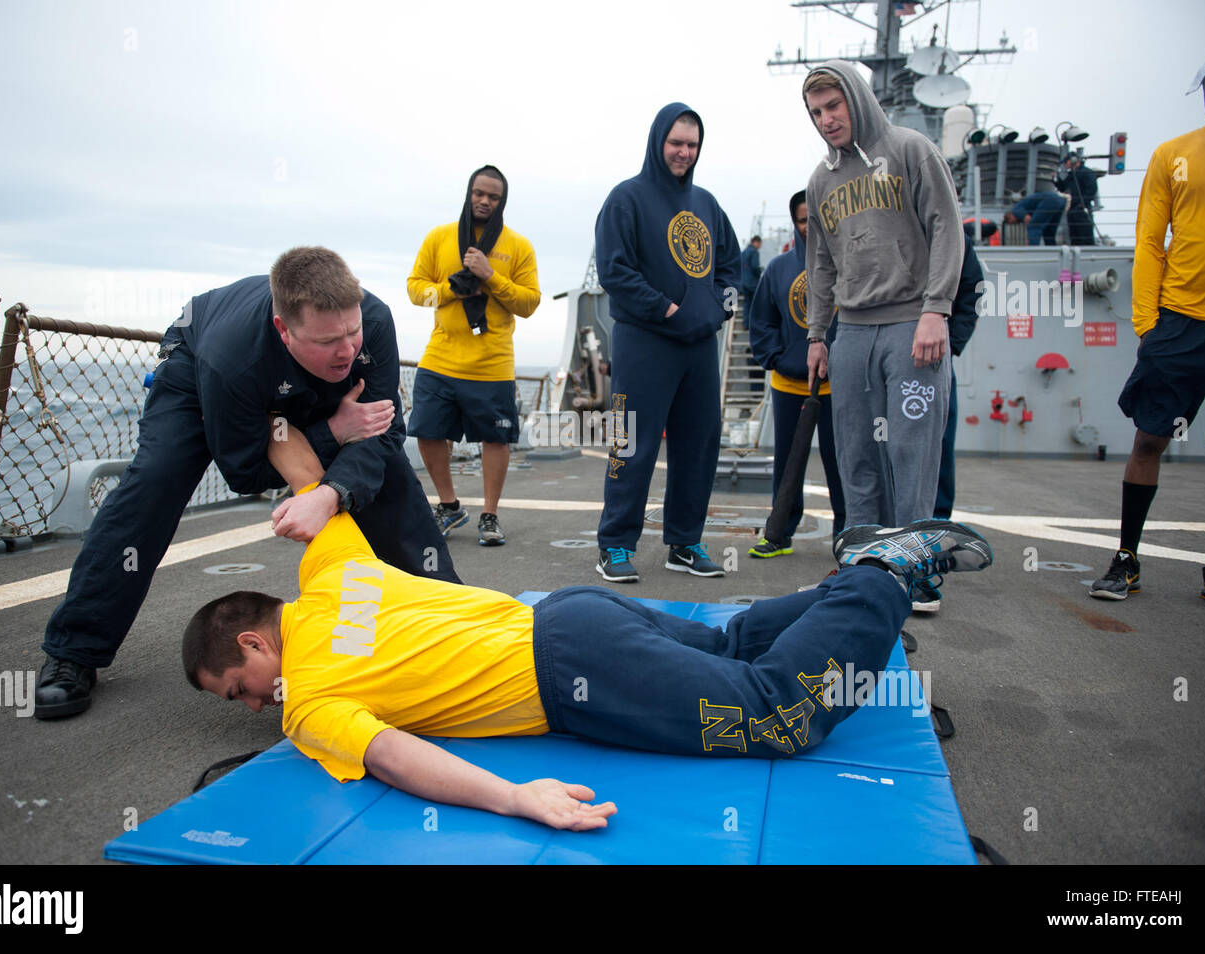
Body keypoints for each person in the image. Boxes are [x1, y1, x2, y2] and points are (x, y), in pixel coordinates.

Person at [184, 419, 993, 831]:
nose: (253, 709)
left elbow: (394, 757)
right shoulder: (327, 574)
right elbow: (299, 463)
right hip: (570, 616)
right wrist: (273, 418)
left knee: (773, 712)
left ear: (255, 644)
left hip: (571, 675)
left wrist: (514, 801)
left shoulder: (306, 699)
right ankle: (849, 587)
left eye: (236, 690)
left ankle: (883, 575)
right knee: (730, 643)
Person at [35, 247, 460, 720]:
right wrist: (333, 431)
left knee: (387, 478)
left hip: (298, 384)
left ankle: (454, 616)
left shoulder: (373, 324)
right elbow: (243, 471)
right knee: (156, 481)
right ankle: (75, 649)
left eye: (351, 332)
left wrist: (330, 492)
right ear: (284, 329)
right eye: (328, 340)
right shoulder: (227, 358)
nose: (347, 351)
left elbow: (383, 431)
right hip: (201, 366)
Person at [801, 62, 963, 554]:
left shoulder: (912, 149)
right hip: (850, 334)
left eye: (834, 105)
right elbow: (822, 263)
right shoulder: (820, 181)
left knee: (912, 456)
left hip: (912, 325)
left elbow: (946, 229)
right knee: (856, 456)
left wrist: (936, 310)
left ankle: (914, 565)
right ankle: (866, 563)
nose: (826, 119)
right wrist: (815, 335)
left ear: (857, 98)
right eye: (816, 112)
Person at [1090, 48, 1205, 610]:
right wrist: (1147, 322)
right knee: (1149, 437)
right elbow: (1149, 239)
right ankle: (1126, 559)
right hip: (1179, 323)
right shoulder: (1173, 155)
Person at [592, 103, 742, 583]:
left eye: (692, 145)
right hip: (644, 342)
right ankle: (615, 544)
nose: (683, 152)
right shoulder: (626, 199)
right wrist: (669, 309)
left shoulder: (708, 205)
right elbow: (615, 271)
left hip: (698, 347)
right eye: (676, 142)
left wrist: (720, 308)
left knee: (698, 445)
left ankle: (684, 541)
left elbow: (732, 269)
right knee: (630, 443)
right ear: (659, 141)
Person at [406, 165, 541, 547]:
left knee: (494, 440)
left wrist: (490, 277)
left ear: (502, 202)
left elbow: (529, 303)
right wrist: (452, 289)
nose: (484, 201)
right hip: (440, 357)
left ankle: (490, 515)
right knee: (428, 432)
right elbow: (416, 291)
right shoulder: (439, 237)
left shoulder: (518, 245)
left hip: (492, 362)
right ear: (469, 193)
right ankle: (449, 506)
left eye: (493, 197)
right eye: (479, 193)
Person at [747, 190, 845, 558]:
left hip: (839, 387)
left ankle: (847, 536)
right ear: (795, 223)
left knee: (842, 465)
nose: (811, 226)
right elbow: (761, 321)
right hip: (789, 384)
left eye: (817, 218)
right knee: (788, 462)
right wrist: (777, 359)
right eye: (804, 220)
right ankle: (779, 534)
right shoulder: (778, 269)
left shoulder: (848, 265)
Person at [922, 232, 985, 611]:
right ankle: (879, 549)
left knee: (937, 455)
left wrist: (949, 343)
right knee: (878, 452)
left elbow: (971, 291)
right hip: (883, 353)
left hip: (933, 361)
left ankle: (929, 548)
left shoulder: (954, 236)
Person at [1053, 154, 1098, 246]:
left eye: (1066, 162)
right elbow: (1063, 187)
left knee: (1084, 235)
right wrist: (1055, 178)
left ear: (1072, 161)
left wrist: (1082, 204)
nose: (1065, 165)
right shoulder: (1072, 175)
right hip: (1072, 209)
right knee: (1074, 236)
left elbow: (1091, 190)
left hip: (1082, 209)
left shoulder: (1086, 172)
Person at [1004, 191, 1070, 246]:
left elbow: (1028, 220)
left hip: (1049, 200)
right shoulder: (1020, 206)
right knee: (1048, 232)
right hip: (1060, 201)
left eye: (1012, 222)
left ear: (1010, 216)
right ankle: (1052, 251)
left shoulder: (1015, 210)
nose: (1015, 223)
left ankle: (1033, 251)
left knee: (1033, 227)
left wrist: (1029, 243)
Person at [740, 235, 763, 328]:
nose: (760, 246)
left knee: (747, 303)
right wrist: (759, 274)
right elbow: (754, 267)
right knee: (756, 304)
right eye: (760, 244)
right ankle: (754, 325)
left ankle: (746, 324)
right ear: (756, 242)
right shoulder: (754, 252)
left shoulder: (744, 252)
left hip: (743, 283)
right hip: (752, 283)